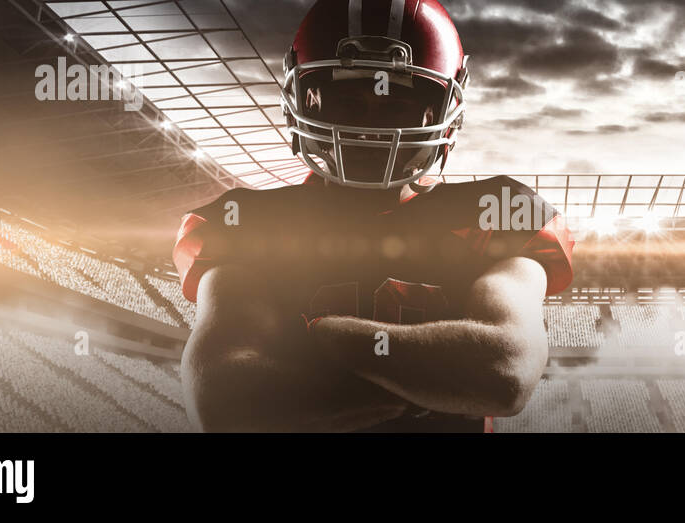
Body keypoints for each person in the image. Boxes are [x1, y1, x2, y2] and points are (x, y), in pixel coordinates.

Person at [172, 0, 574, 432]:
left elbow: (503, 372)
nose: (369, 126)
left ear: (444, 110)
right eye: (347, 101)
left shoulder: (498, 210)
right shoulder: (246, 219)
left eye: (397, 103)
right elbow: (224, 400)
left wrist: (321, 336)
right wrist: (434, 379)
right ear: (303, 101)